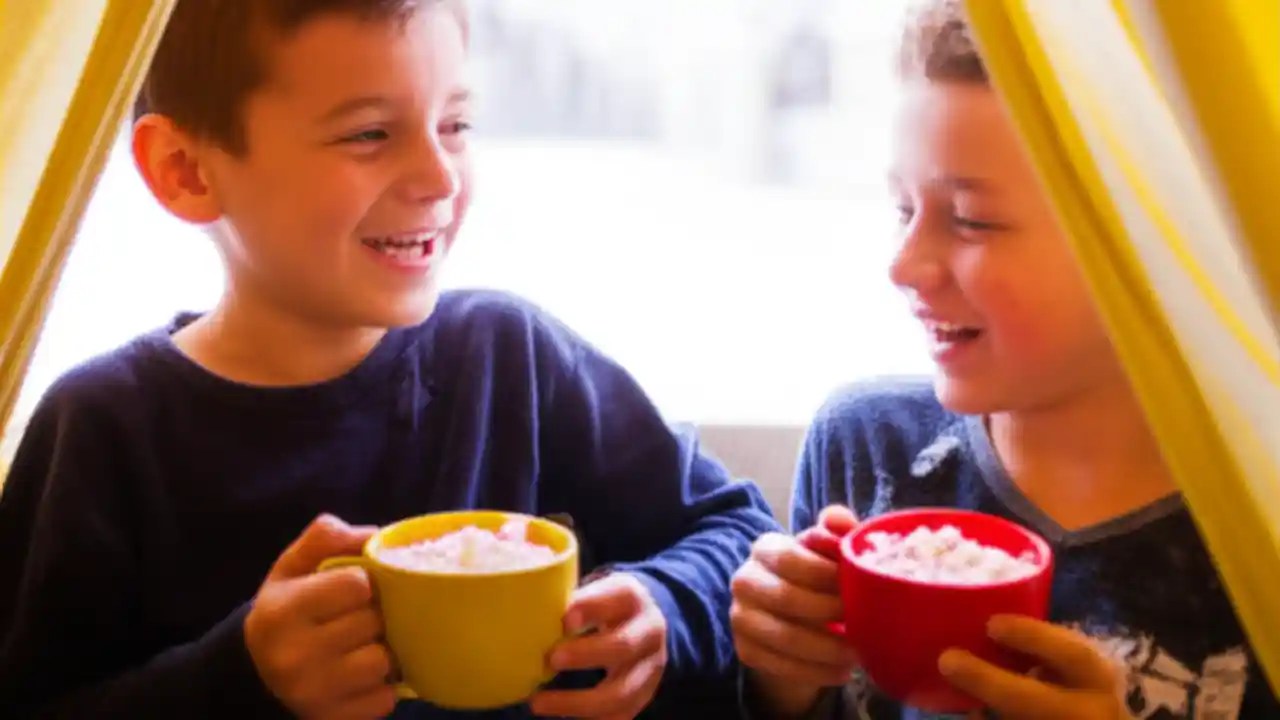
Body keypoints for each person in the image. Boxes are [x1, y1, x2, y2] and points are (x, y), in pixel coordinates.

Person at [0, 1, 778, 717]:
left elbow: (739, 531)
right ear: (187, 170)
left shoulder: (511, 359)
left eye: (456, 125)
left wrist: (664, 609)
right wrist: (240, 677)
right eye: (368, 133)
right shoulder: (101, 432)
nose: (439, 177)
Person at [729, 0, 1279, 717]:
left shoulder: (1253, 517)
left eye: (971, 219)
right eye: (903, 209)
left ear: (1140, 250)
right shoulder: (867, 449)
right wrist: (779, 678)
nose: (904, 265)